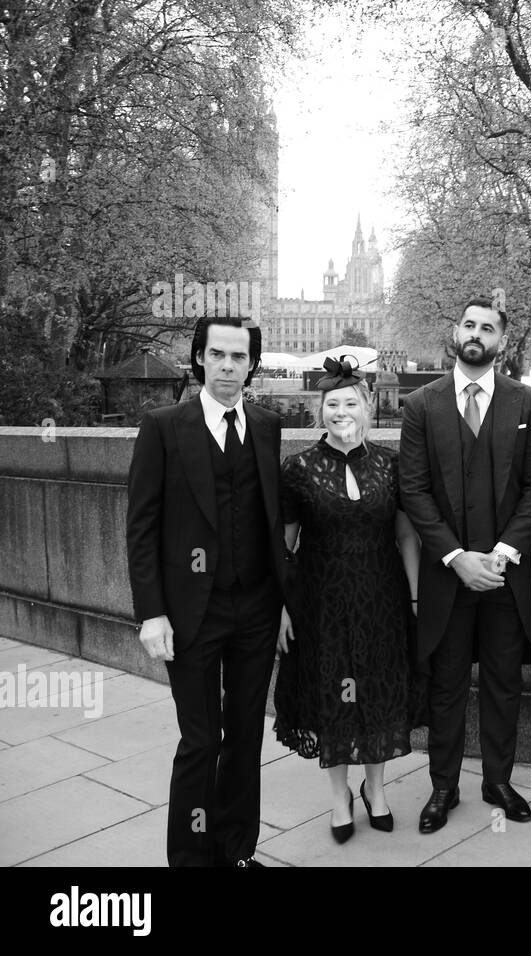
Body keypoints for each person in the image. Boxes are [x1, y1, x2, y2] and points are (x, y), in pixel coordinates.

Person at [126, 316, 285, 867]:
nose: (227, 367)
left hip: (257, 611)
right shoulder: (164, 427)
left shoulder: (266, 426)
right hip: (191, 613)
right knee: (200, 741)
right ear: (198, 359)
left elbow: (269, 519)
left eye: (238, 358)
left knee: (245, 739)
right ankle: (191, 860)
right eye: (216, 355)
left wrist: (283, 604)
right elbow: (141, 527)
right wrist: (151, 613)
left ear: (252, 366)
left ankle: (238, 851)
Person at [399, 295, 531, 833]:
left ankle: (498, 780)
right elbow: (413, 492)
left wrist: (503, 554)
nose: (476, 333)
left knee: (503, 681)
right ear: (456, 331)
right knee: (445, 684)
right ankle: (443, 786)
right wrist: (458, 557)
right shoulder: (421, 405)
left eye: (487, 328)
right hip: (448, 576)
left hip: (507, 578)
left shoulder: (529, 404)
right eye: (468, 324)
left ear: (501, 342)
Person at [273, 357, 421, 843]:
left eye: (350, 402)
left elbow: (405, 537)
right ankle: (340, 799)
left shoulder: (391, 464)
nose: (341, 411)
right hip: (322, 603)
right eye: (331, 403)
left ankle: (376, 791)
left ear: (367, 406)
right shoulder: (298, 469)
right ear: (321, 410)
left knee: (376, 691)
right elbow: (284, 547)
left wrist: (416, 598)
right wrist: (281, 608)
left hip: (382, 599)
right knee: (332, 697)